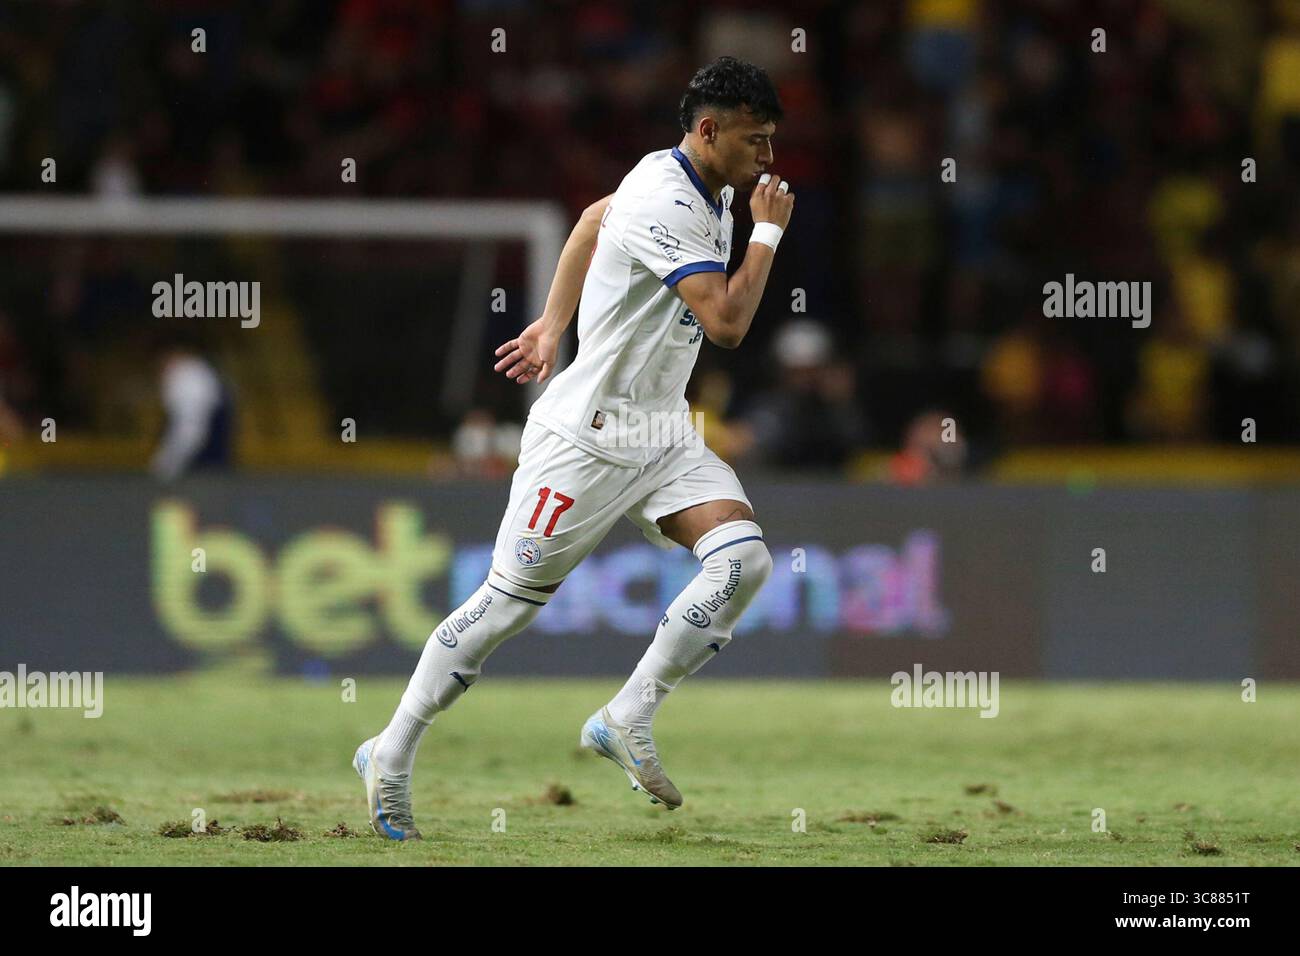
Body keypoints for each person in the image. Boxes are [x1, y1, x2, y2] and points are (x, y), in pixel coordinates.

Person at [354, 56, 793, 839]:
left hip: (658, 432)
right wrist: (766, 233)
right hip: (585, 442)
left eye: (771, 142)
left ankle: (627, 716)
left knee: (744, 560)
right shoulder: (670, 197)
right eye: (756, 141)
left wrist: (552, 324)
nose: (769, 159)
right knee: (499, 612)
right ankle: (389, 751)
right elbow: (727, 323)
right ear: (708, 130)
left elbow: (592, 218)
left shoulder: (696, 183)